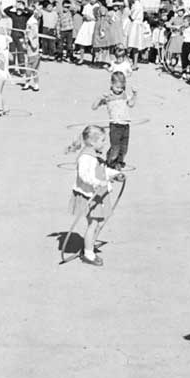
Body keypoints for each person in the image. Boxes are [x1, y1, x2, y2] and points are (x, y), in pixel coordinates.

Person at [68, 124, 124, 266]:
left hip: (99, 194)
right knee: (93, 224)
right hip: (90, 196)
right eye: (102, 141)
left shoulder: (95, 156)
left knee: (99, 223)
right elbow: (83, 176)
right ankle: (88, 253)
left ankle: (89, 245)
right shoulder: (86, 157)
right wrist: (97, 183)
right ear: (93, 142)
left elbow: (103, 171)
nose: (104, 144)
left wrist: (115, 174)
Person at [95, 70, 136, 170]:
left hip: (125, 125)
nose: (119, 90)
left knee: (124, 149)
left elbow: (131, 104)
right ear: (111, 84)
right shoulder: (109, 97)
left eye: (121, 87)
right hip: (115, 126)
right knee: (115, 148)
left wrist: (135, 95)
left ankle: (118, 163)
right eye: (117, 87)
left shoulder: (125, 95)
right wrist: (100, 98)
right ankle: (110, 162)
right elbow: (94, 106)